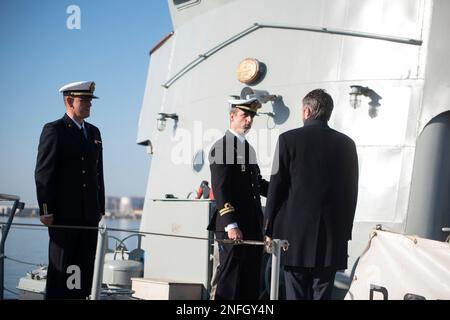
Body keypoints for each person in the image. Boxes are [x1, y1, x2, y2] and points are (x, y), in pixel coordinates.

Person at [264, 89, 359, 300]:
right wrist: (345, 233)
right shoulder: (347, 145)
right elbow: (351, 194)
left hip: (293, 237)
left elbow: (277, 186)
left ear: (306, 111)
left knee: (294, 293)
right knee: (323, 294)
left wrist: (268, 227)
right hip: (331, 238)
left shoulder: (288, 139)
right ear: (328, 113)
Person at [35, 80, 105, 299]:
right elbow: (43, 173)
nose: (89, 105)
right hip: (64, 217)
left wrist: (100, 208)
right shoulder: (54, 130)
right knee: (63, 270)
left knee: (83, 270)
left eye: (90, 101)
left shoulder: (94, 132)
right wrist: (46, 209)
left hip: (89, 216)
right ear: (69, 101)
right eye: (84, 100)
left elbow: (98, 174)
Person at [207, 95, 269, 300]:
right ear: (232, 116)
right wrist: (231, 224)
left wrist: (284, 190)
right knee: (230, 282)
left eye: (252, 116)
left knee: (250, 281)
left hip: (251, 225)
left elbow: (256, 184)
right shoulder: (222, 146)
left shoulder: (247, 149)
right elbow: (221, 187)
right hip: (233, 228)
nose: (249, 120)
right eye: (245, 115)